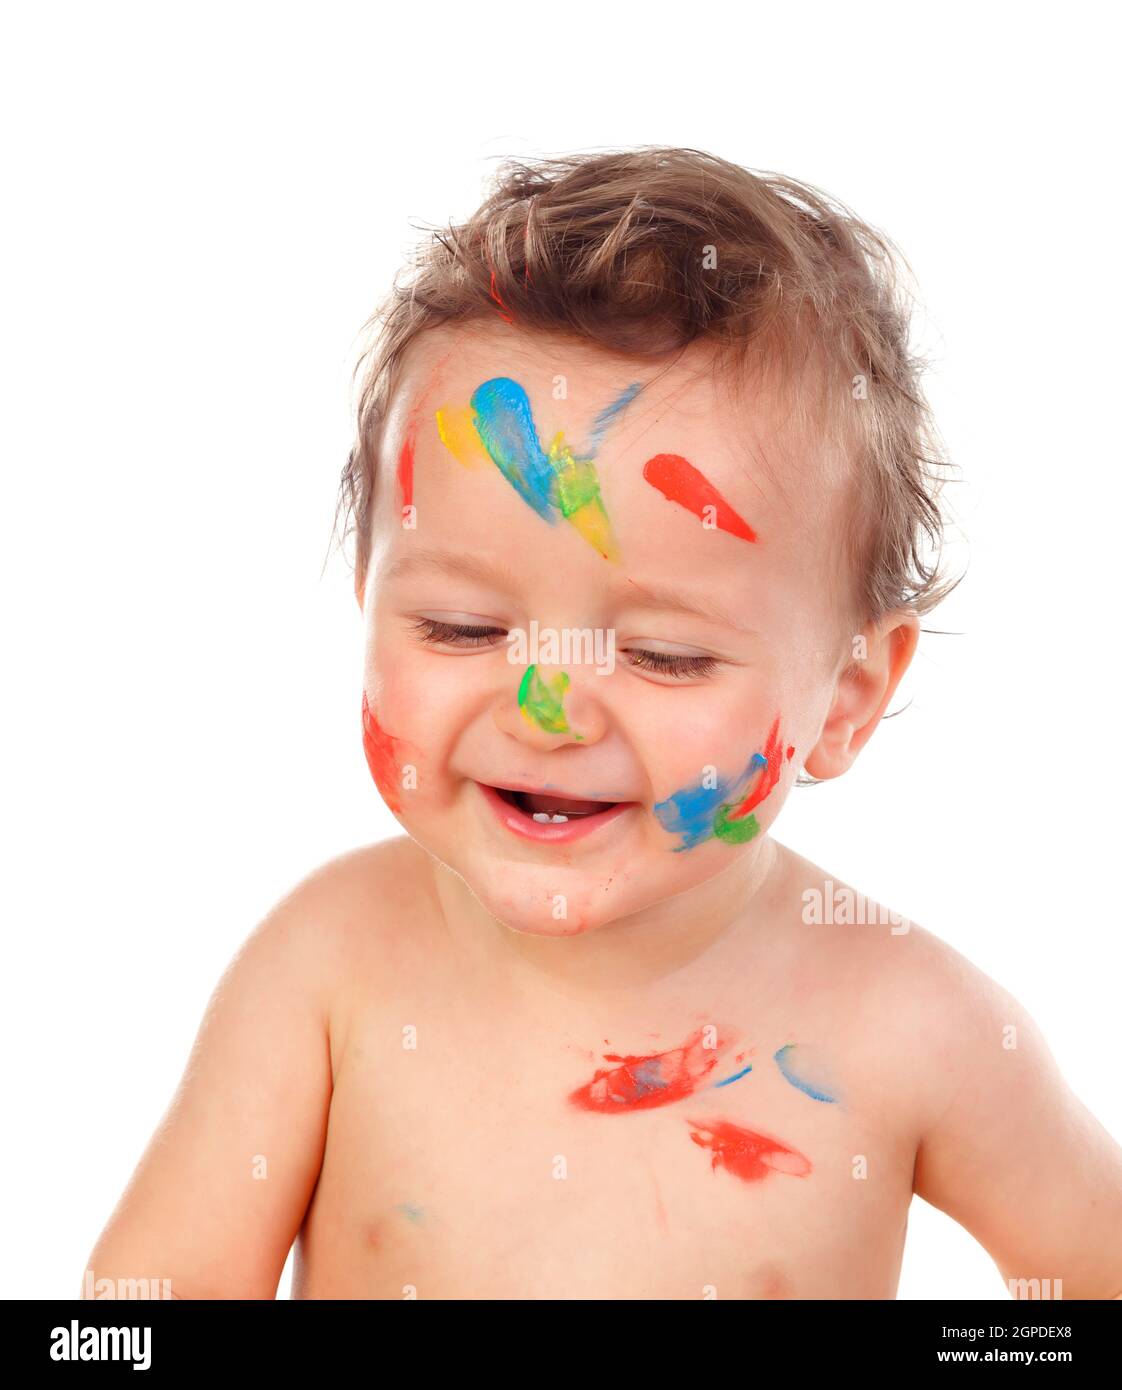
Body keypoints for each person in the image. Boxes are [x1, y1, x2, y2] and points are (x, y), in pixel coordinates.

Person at [85, 147, 1122, 1300]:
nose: (549, 708)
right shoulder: (330, 967)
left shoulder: (915, 1026)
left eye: (664, 654)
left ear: (845, 695)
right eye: (462, 627)